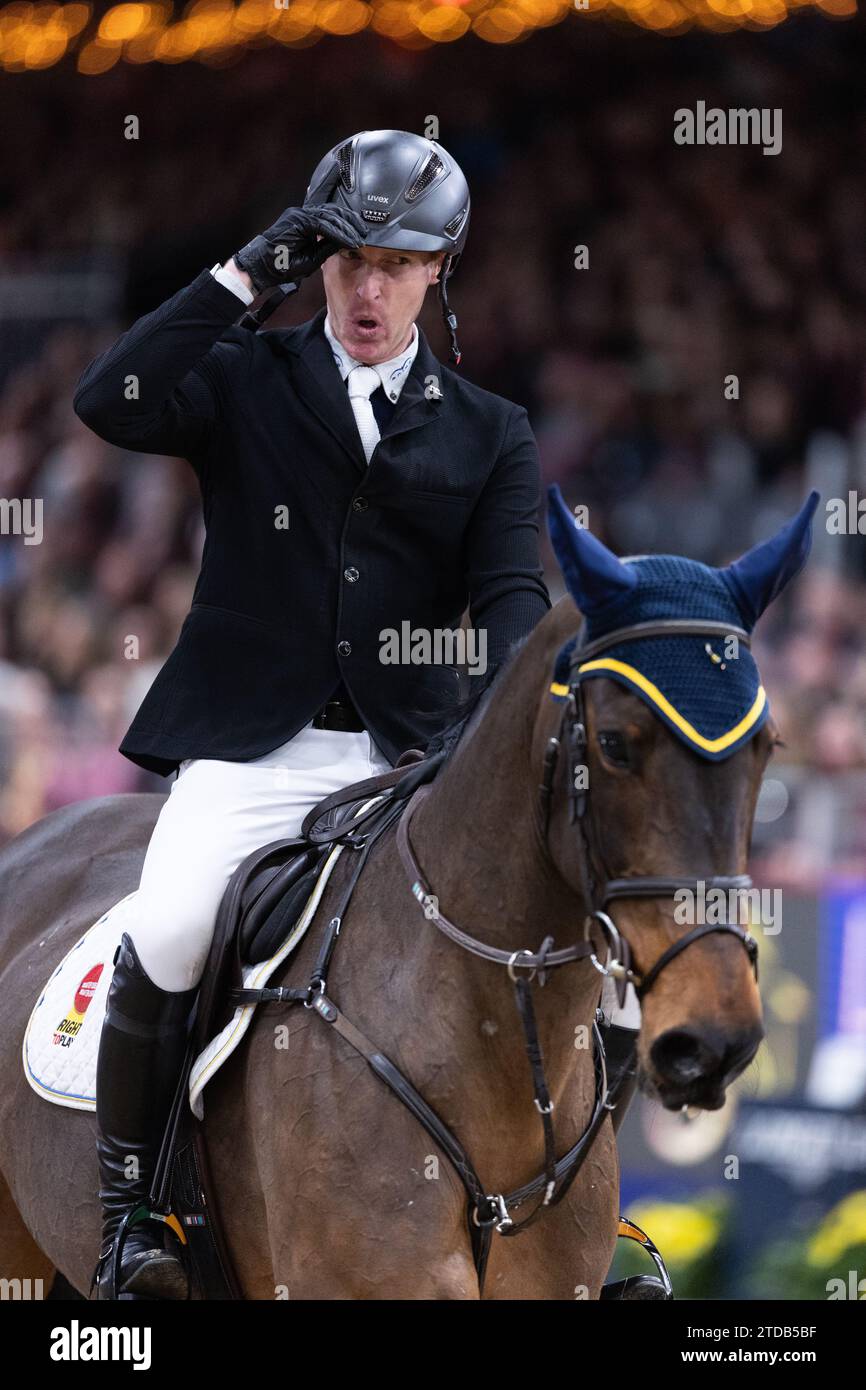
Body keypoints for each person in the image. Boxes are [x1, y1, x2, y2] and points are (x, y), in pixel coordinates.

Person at [73, 129, 553, 1299]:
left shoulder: (489, 431)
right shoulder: (248, 374)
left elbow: (511, 608)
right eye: (345, 260)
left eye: (396, 264)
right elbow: (112, 398)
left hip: (408, 767)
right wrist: (245, 275)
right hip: (253, 751)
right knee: (177, 923)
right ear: (316, 260)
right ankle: (135, 1216)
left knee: (567, 939)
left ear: (438, 269)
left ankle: (598, 1216)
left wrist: (468, 753)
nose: (368, 289)